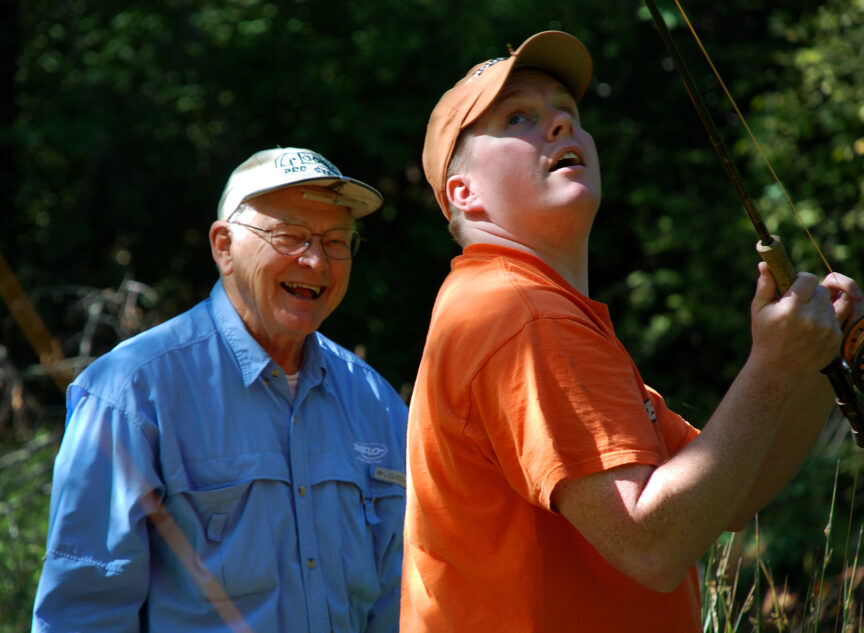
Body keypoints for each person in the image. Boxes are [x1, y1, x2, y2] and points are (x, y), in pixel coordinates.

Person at [400, 31, 864, 632]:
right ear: (463, 193)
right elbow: (651, 543)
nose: (561, 126)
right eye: (521, 117)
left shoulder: (533, 308)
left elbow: (723, 495)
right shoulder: (522, 314)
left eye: (568, 113)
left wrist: (808, 366)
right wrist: (771, 370)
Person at [32, 147, 408, 633]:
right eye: (290, 236)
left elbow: (401, 599)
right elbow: (84, 612)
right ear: (224, 247)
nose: (316, 260)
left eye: (337, 241)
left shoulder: (377, 404)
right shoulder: (131, 394)